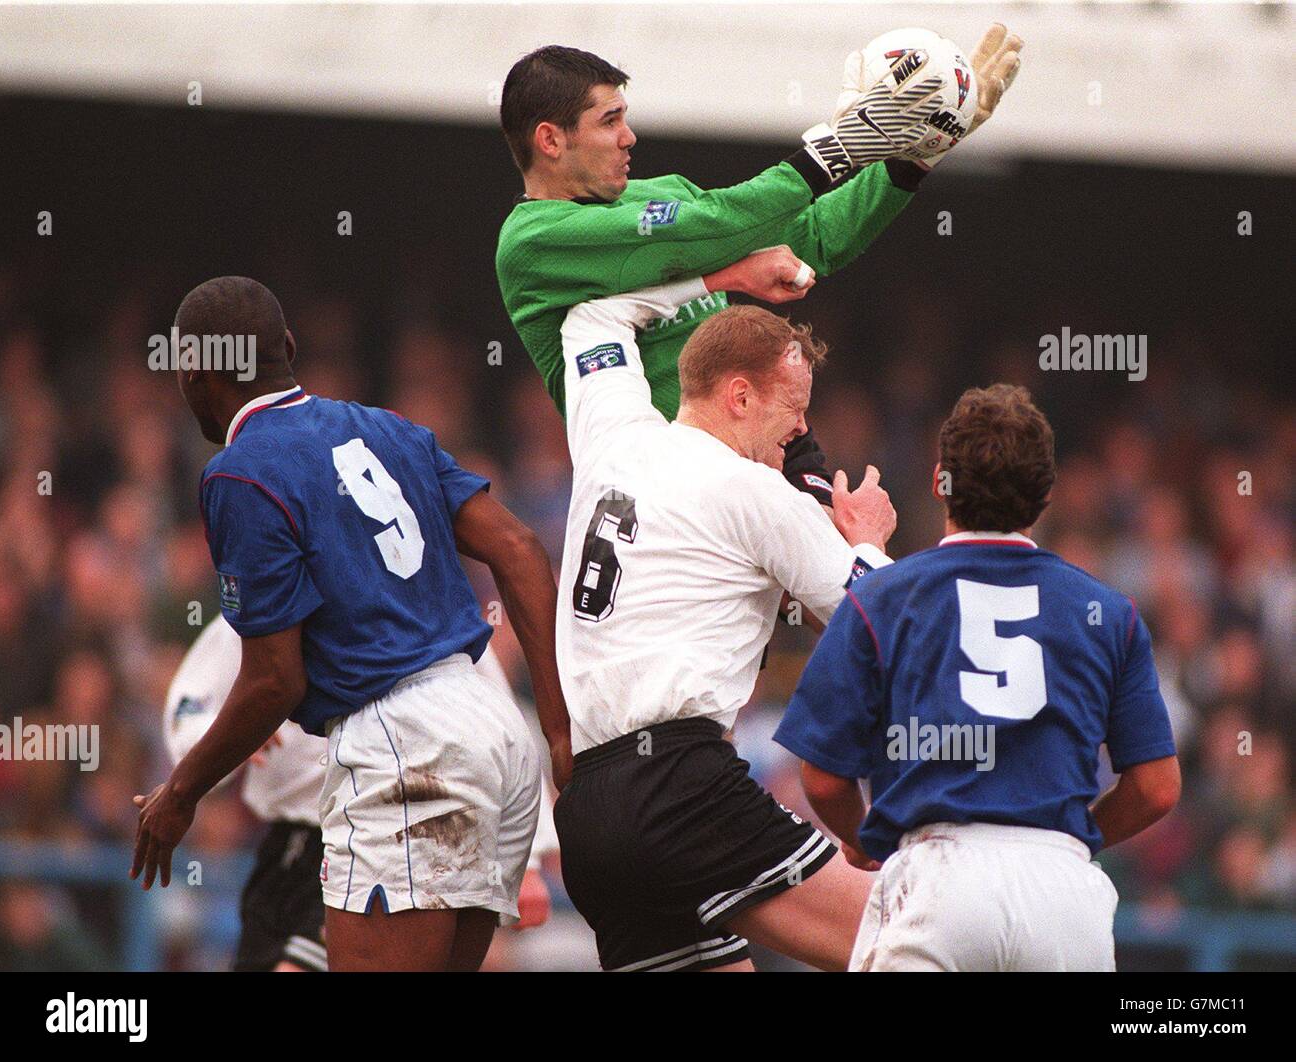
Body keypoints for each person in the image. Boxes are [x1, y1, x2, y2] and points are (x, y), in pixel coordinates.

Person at [131, 276, 572, 972]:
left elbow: (275, 680)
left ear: (193, 371)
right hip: (498, 736)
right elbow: (520, 552)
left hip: (402, 751)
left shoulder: (238, 473)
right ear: (290, 349)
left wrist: (178, 793)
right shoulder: (390, 429)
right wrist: (557, 727)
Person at [551, 246, 898, 972]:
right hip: (681, 788)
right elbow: (878, 620)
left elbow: (595, 314)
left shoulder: (610, 433)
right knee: (918, 949)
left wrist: (726, 279)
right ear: (739, 397)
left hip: (591, 809)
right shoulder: (753, 492)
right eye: (792, 410)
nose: (798, 434)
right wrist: (866, 542)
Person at [496, 33, 1021, 505]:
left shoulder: (664, 194)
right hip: (673, 490)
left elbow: (813, 238)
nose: (629, 136)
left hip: (771, 447)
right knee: (840, 592)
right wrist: (841, 146)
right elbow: (711, 226)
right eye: (609, 121)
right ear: (550, 140)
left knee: (855, 584)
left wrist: (914, 156)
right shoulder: (534, 243)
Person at [774, 384, 1182, 971]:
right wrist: (1071, 836)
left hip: (938, 883)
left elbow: (824, 780)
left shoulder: (880, 598)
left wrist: (863, 837)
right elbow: (1157, 787)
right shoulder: (1109, 612)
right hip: (1063, 898)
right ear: (1045, 494)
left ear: (941, 479)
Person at [162, 617, 560, 972]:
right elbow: (188, 708)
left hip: (378, 836)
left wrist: (529, 853)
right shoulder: (259, 610)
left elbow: (495, 717)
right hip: (283, 850)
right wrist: (232, 733)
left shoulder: (427, 610)